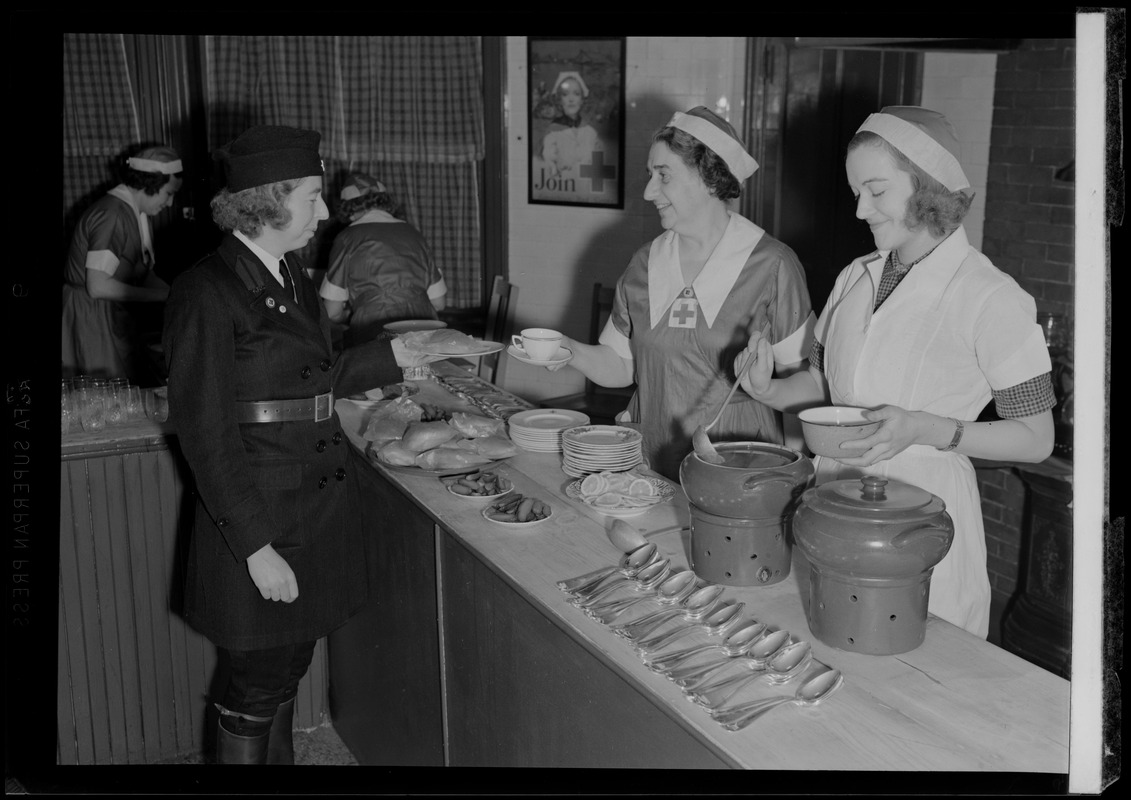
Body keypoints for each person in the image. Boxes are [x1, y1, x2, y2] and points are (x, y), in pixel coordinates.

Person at [163, 125, 437, 764]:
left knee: (282, 675)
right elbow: (205, 434)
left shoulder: (289, 272)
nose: (323, 211)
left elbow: (320, 376)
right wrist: (254, 547)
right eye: (312, 196)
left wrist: (400, 353)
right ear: (267, 200)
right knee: (253, 691)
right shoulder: (205, 291)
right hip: (261, 523)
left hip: (311, 517)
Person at [736, 106, 1056, 638]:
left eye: (876, 190)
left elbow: (1036, 438)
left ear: (927, 185)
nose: (860, 209)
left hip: (923, 519)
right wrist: (768, 388)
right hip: (832, 505)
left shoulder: (991, 297)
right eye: (856, 191)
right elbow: (822, 387)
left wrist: (929, 428)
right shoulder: (853, 278)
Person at [551, 107, 815, 480]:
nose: (648, 191)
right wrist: (569, 350)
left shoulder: (772, 265)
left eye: (664, 176)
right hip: (650, 458)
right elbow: (621, 365)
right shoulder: (644, 263)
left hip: (738, 465)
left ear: (709, 178)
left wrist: (792, 472)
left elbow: (805, 382)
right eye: (650, 176)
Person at [62, 145, 183, 385]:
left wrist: (175, 293)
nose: (170, 203)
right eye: (168, 193)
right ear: (150, 183)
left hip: (108, 313)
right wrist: (161, 296)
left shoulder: (133, 213)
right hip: (90, 315)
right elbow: (97, 286)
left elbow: (142, 272)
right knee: (104, 393)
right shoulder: (113, 216)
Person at [319, 172, 447, 345]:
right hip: (423, 333)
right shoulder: (413, 234)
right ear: (385, 203)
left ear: (349, 209)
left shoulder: (346, 238)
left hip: (373, 335)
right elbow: (439, 303)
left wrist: (348, 316)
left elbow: (332, 311)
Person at [540, 71, 603, 178]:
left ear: (582, 100)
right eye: (565, 94)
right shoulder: (552, 133)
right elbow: (549, 170)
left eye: (576, 94)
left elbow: (599, 167)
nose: (571, 99)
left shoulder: (591, 132)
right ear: (559, 100)